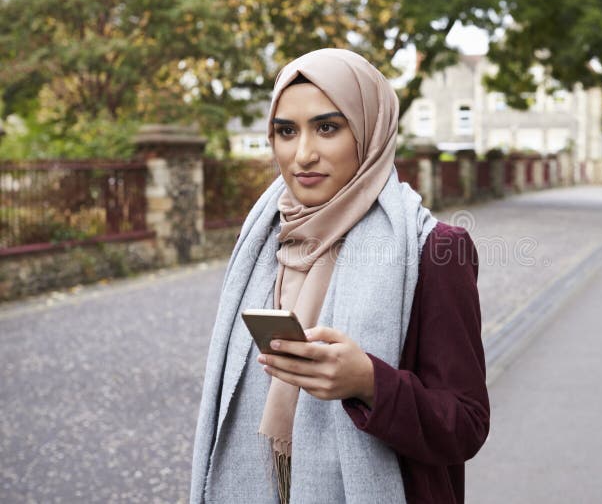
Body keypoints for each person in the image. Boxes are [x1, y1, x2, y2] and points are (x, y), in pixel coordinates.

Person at [190, 48, 489, 504]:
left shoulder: (436, 248)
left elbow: (465, 425)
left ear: (369, 131)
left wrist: (369, 383)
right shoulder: (264, 239)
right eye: (285, 131)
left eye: (327, 128)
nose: (302, 154)